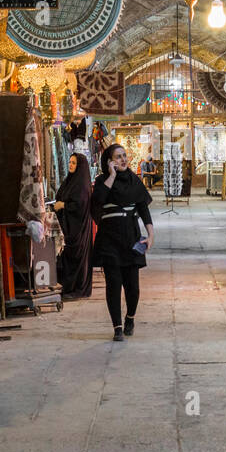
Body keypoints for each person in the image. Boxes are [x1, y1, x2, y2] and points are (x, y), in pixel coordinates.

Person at [90, 144, 155, 341]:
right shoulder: (103, 181)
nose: (123, 160)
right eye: (118, 157)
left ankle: (130, 317)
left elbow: (143, 209)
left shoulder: (135, 181)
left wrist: (150, 235)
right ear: (109, 161)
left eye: (125, 156)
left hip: (131, 237)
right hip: (109, 238)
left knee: (133, 287)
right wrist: (111, 175)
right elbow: (98, 201)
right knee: (113, 284)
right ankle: (117, 327)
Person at [52, 152, 94, 300]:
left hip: (78, 230)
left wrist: (63, 205)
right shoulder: (69, 181)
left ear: (80, 166)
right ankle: (67, 287)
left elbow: (80, 205)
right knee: (66, 257)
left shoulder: (82, 184)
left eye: (74, 163)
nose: (70, 165)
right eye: (70, 162)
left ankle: (77, 288)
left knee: (75, 258)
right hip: (67, 226)